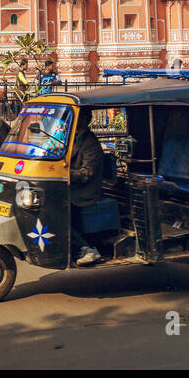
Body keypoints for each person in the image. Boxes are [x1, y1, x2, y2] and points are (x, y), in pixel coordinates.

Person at [69, 108, 104, 267]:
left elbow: (87, 173)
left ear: (83, 119)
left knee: (58, 209)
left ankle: (87, 249)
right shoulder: (71, 138)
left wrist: (66, 174)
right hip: (72, 187)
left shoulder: (90, 143)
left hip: (86, 192)